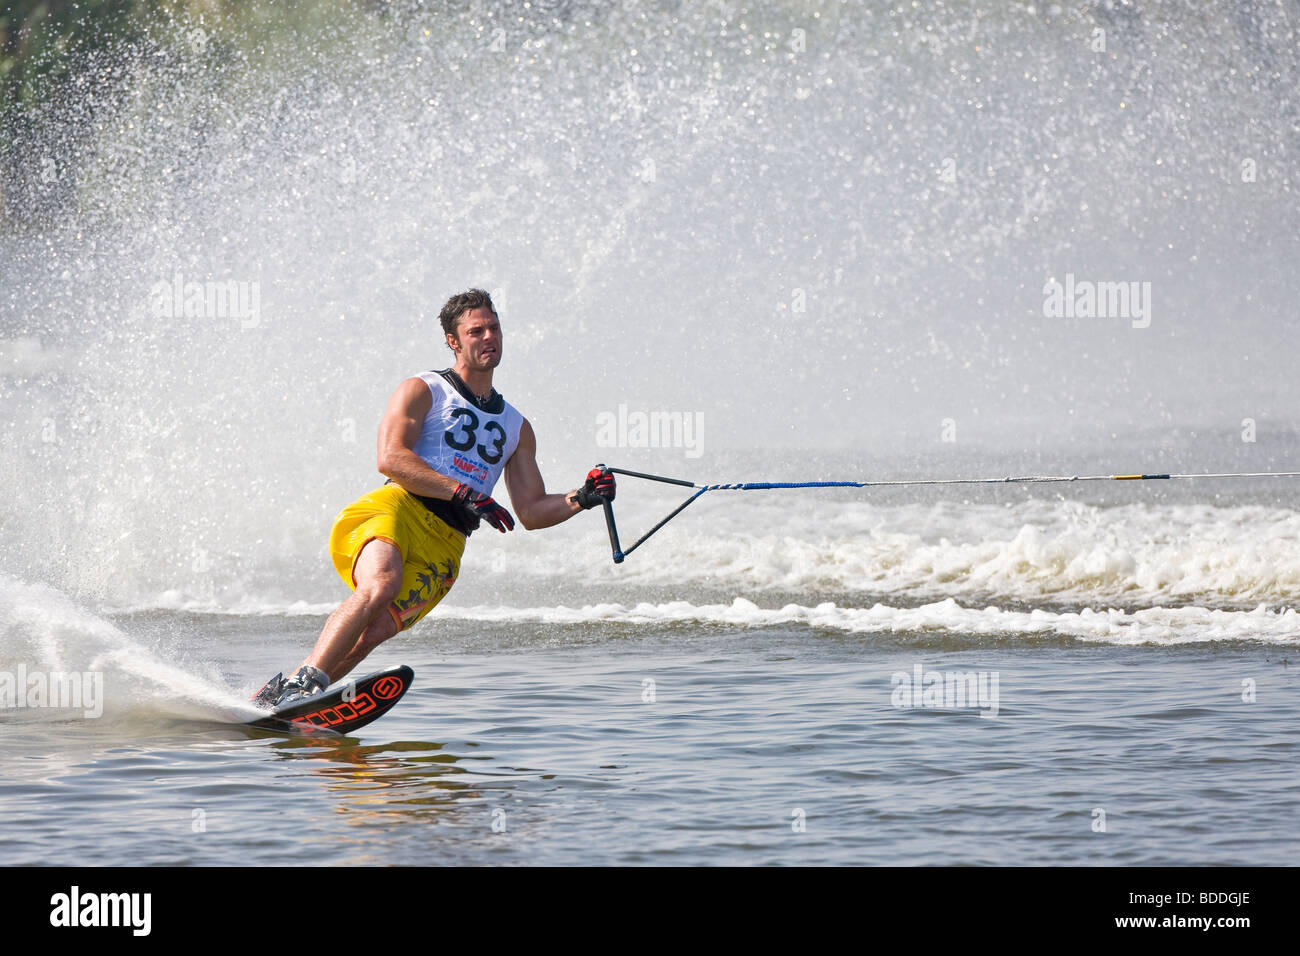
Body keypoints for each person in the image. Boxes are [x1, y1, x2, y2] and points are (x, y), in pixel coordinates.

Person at [253, 289, 615, 707]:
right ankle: (306, 684)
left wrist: (584, 497)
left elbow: (531, 511)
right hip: (399, 509)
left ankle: (284, 697)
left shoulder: (518, 427)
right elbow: (390, 458)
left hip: (446, 545)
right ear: (453, 341)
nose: (488, 337)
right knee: (381, 585)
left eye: (493, 328)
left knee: (376, 631)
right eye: (475, 330)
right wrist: (462, 490)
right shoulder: (424, 389)